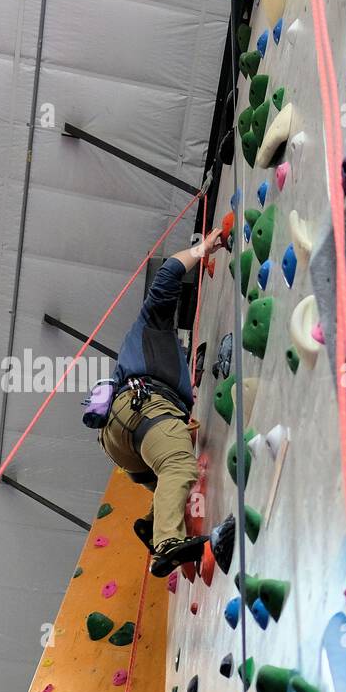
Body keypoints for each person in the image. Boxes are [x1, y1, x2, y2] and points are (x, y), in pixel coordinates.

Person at [87, 227, 226, 576]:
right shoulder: (151, 321)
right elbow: (169, 274)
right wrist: (202, 248)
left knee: (174, 484)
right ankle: (166, 544)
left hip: (120, 439)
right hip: (144, 408)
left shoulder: (140, 348)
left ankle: (152, 523)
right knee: (179, 467)